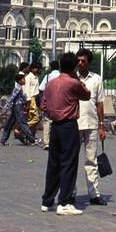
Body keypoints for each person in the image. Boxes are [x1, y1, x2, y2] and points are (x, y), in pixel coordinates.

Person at [40, 52, 91, 216]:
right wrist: (76, 77)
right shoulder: (73, 83)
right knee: (68, 163)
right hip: (69, 125)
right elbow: (87, 95)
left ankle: (47, 200)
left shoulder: (51, 83)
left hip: (55, 126)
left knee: (53, 163)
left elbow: (44, 105)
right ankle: (65, 201)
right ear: (74, 67)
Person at [75, 49, 106, 205]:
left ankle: (94, 194)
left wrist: (102, 125)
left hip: (92, 123)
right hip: (75, 123)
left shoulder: (96, 79)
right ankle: (70, 192)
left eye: (83, 61)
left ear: (89, 62)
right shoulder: (72, 79)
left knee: (91, 160)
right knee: (72, 160)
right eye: (78, 60)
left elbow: (100, 103)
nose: (80, 63)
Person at [0, 72, 33, 146]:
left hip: (17, 107)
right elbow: (12, 98)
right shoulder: (18, 88)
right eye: (23, 79)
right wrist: (5, 108)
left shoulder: (19, 87)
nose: (25, 80)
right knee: (23, 123)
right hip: (18, 107)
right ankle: (32, 139)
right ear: (20, 80)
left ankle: (3, 139)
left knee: (9, 124)